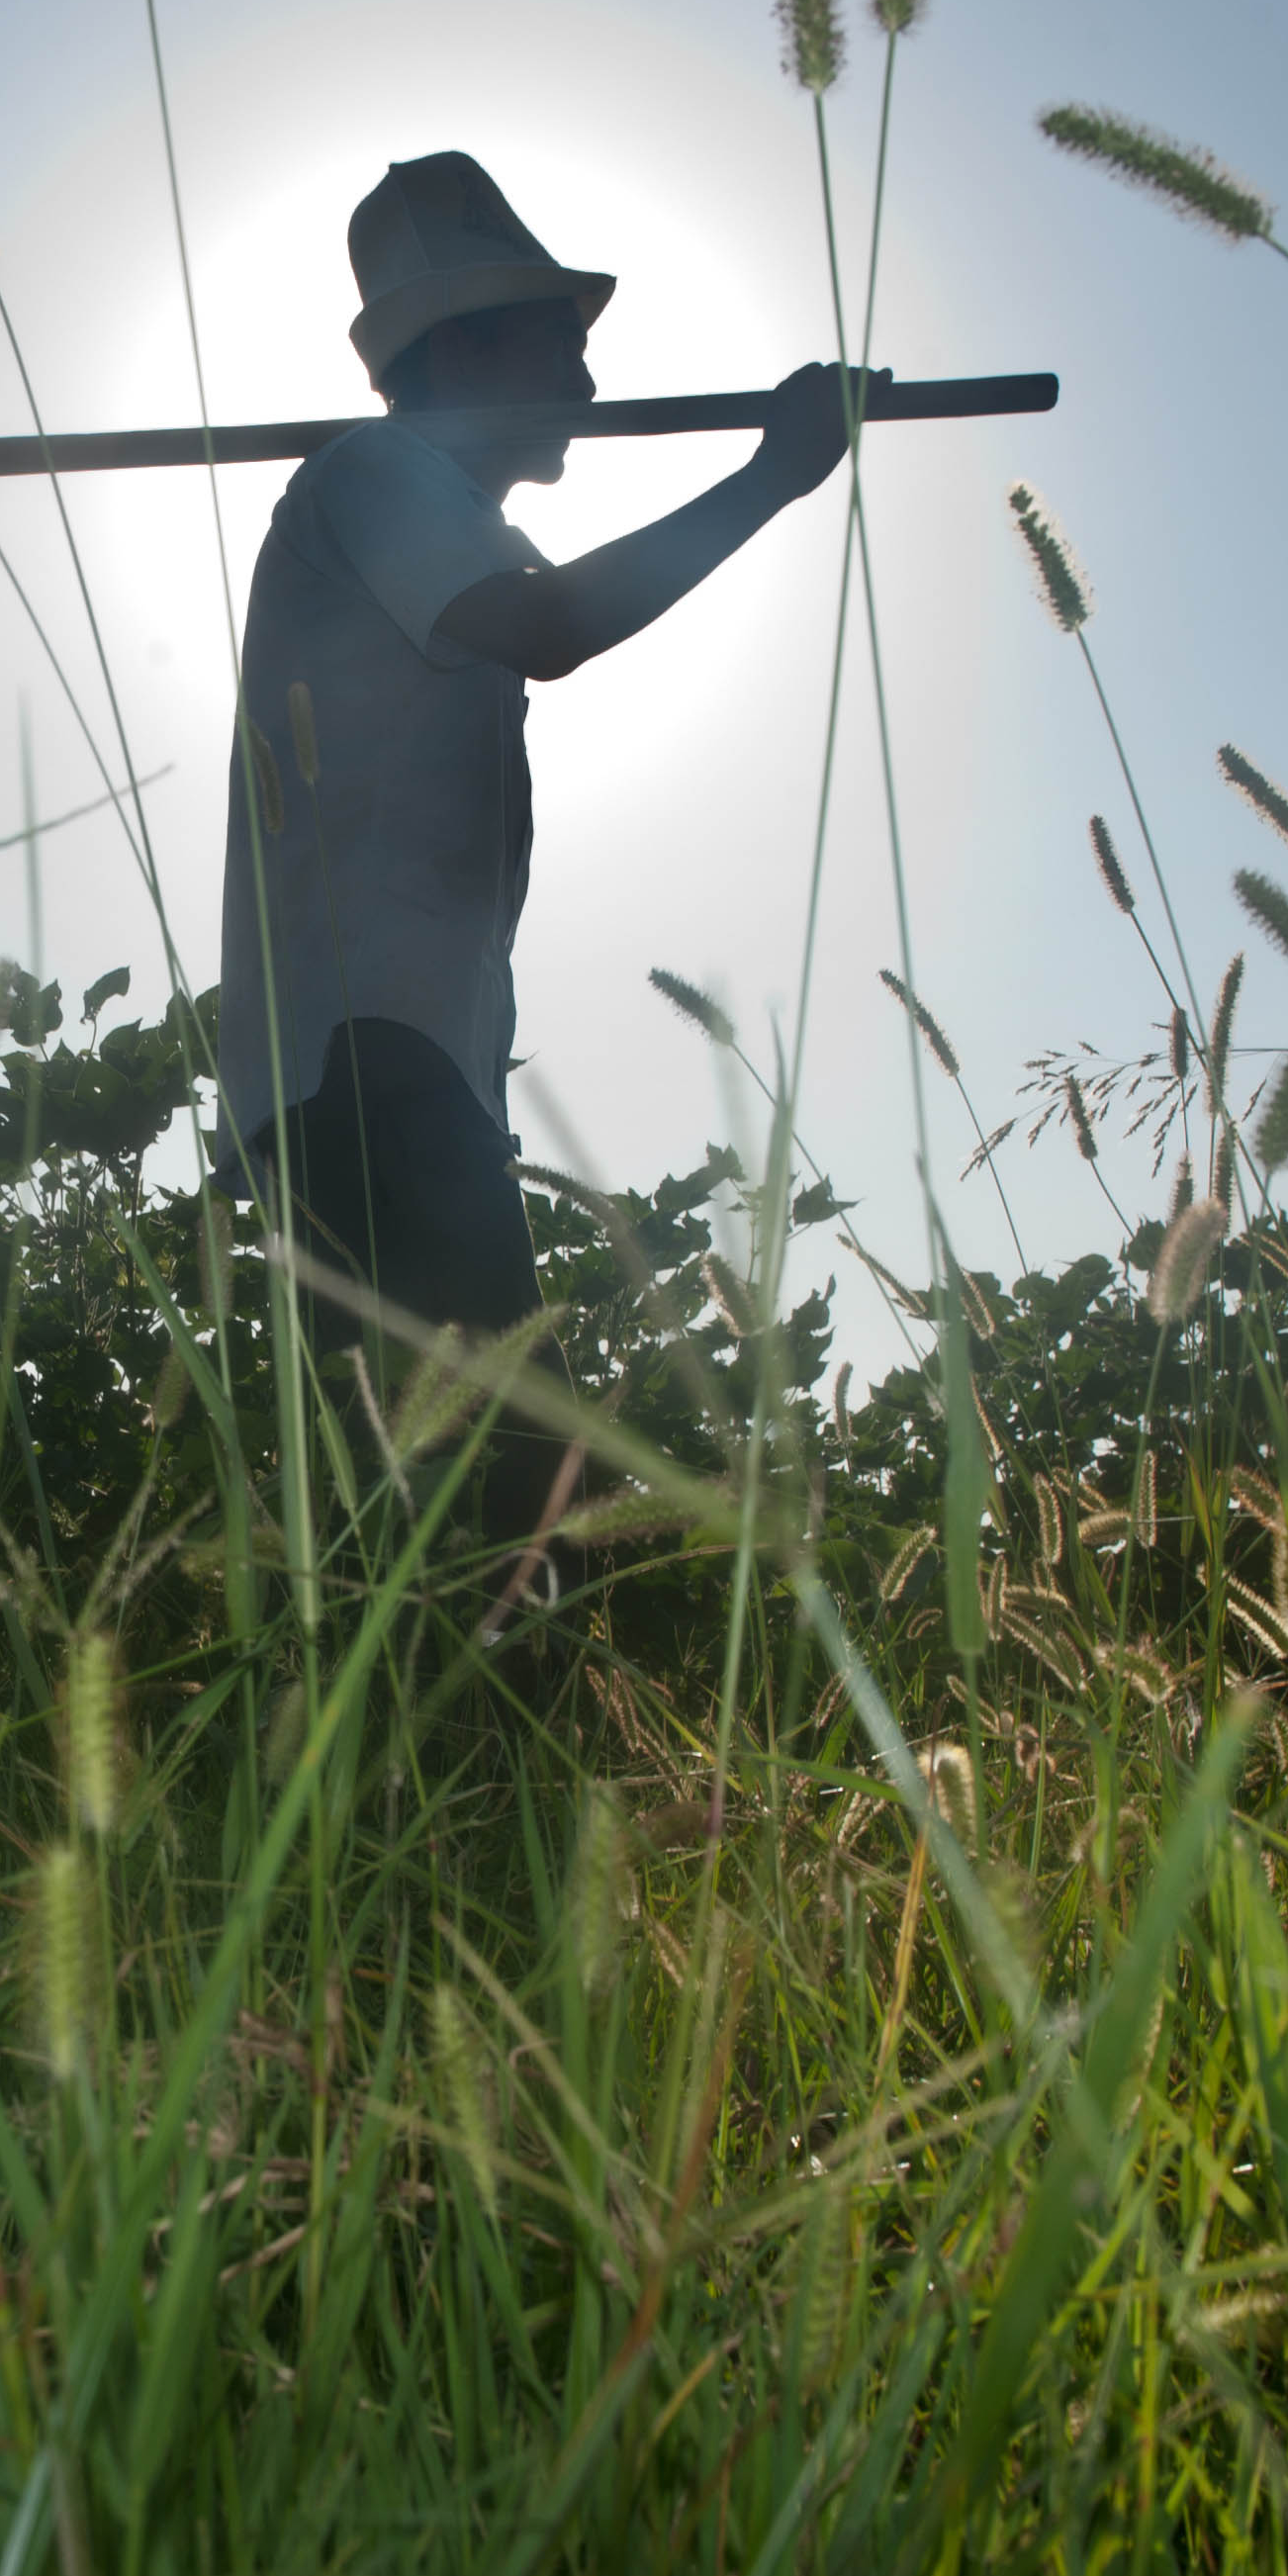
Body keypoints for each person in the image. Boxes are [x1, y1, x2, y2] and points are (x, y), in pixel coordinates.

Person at [216, 150, 854, 1585]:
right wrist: (772, 478)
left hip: (398, 1066)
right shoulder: (375, 474)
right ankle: (463, 1795)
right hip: (361, 1070)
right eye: (560, 347)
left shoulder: (427, 509)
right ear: (471, 348)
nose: (579, 383)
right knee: (494, 1518)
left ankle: (425, 1795)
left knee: (458, 1513)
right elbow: (548, 624)